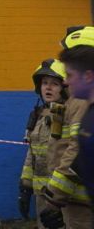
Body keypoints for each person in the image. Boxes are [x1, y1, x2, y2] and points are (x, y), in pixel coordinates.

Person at [40, 27, 94, 229]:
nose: (65, 81)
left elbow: (75, 152)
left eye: (70, 73)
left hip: (79, 202)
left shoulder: (83, 106)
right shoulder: (80, 105)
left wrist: (54, 198)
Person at [20, 59, 68, 226]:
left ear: (64, 88)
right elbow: (32, 153)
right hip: (42, 193)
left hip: (62, 197)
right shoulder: (39, 115)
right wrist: (25, 187)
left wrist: (59, 197)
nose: (48, 87)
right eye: (45, 83)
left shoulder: (68, 116)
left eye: (54, 84)